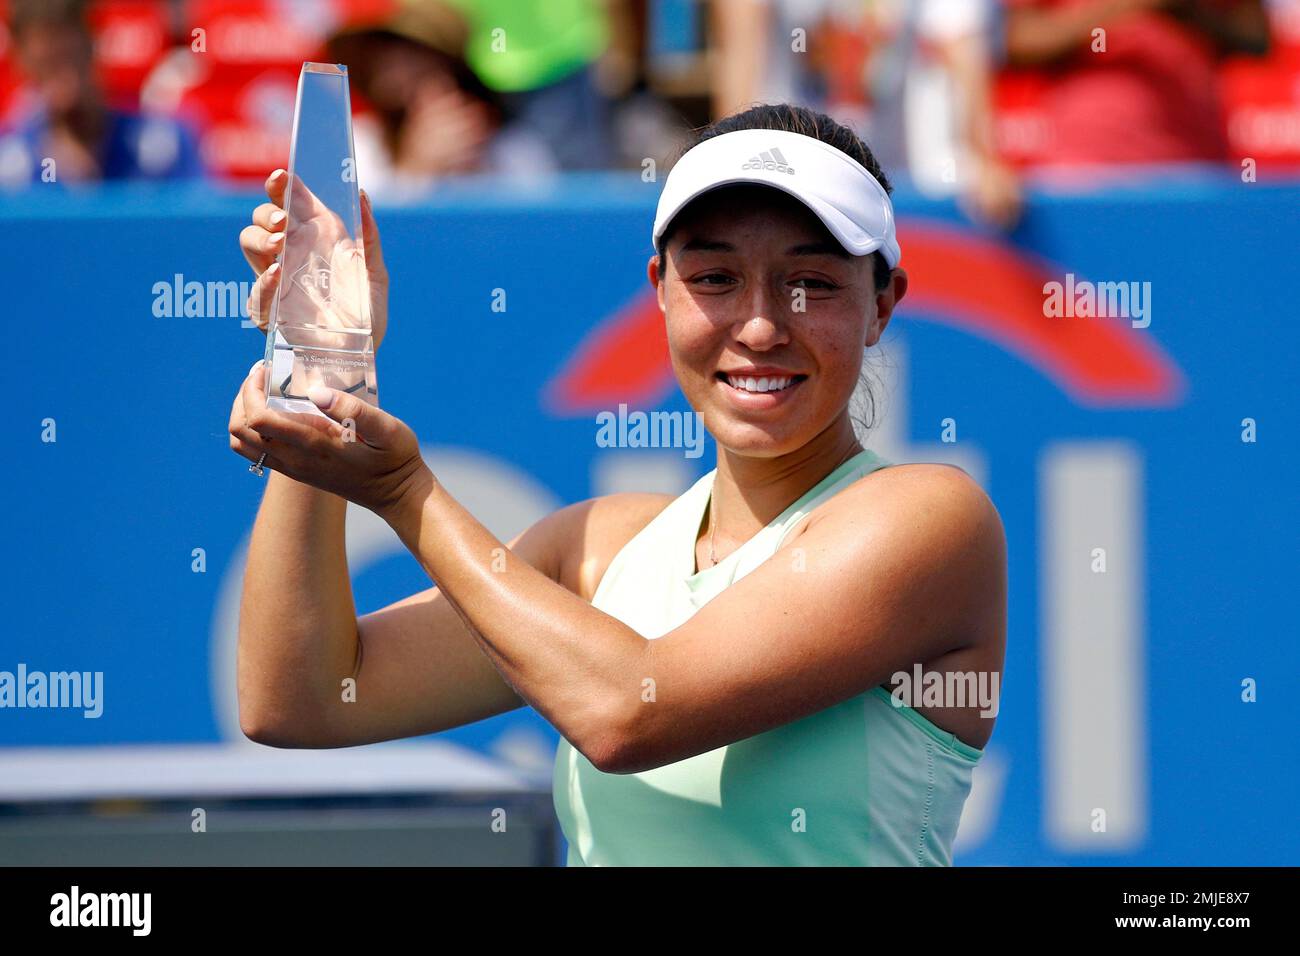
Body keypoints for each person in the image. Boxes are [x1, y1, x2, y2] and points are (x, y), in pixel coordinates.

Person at [228, 103, 1007, 866]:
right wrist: (321, 376)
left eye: (811, 282)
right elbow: (302, 699)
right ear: (661, 290)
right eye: (715, 277)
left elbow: (627, 716)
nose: (763, 325)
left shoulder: (932, 520)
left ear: (882, 305)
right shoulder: (600, 547)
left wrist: (404, 492)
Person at [1003, 0, 1270, 169]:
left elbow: (1257, 40)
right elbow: (1014, 41)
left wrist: (1189, 12)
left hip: (1197, 162)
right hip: (1089, 163)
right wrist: (1121, 8)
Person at [0, 0, 202, 188]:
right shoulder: (9, 168)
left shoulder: (166, 146)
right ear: (22, 62)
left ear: (92, 41)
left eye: (70, 56)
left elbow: (201, 218)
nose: (63, 79)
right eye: (48, 63)